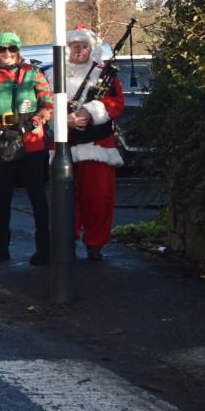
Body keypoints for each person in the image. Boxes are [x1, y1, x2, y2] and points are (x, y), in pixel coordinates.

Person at [0, 31, 54, 265]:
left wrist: (33, 122)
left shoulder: (33, 74)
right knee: (2, 198)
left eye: (11, 49)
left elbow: (48, 104)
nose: (7, 53)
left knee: (37, 197)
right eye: (2, 49)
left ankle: (43, 248)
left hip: (32, 144)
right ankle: (1, 248)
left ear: (18, 51)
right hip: (2, 144)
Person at [64, 25, 126, 261]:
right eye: (75, 46)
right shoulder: (55, 75)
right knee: (66, 198)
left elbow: (117, 103)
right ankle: (66, 239)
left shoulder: (105, 75)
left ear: (91, 48)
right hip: (66, 144)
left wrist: (91, 112)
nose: (79, 51)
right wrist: (64, 119)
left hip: (98, 144)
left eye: (83, 46)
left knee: (98, 198)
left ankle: (95, 243)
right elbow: (46, 103)